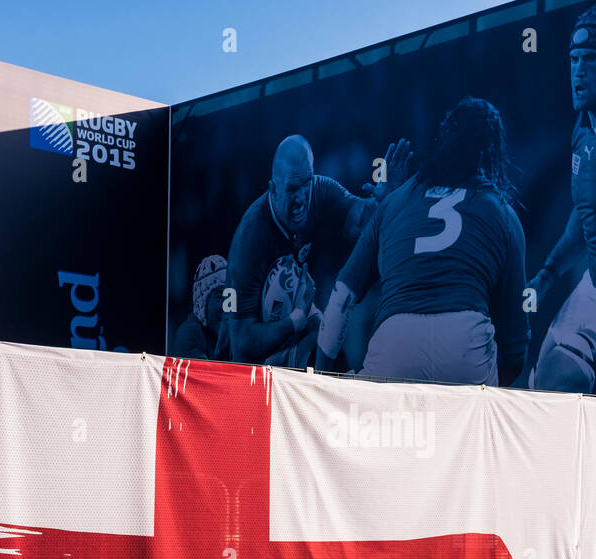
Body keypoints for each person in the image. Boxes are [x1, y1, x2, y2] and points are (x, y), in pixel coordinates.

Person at [316, 96, 528, 387]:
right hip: (465, 347)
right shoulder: (502, 212)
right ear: (492, 152)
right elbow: (516, 350)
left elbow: (341, 297)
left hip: (394, 345)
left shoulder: (394, 201)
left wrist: (322, 382)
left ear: (442, 140)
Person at [224, 133, 411, 368]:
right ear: (273, 189)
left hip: (296, 310)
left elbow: (363, 221)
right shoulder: (250, 239)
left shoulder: (320, 190)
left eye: (306, 183)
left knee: (333, 359)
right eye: (292, 188)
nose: (302, 198)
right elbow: (241, 345)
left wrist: (386, 200)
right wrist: (295, 319)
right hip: (251, 351)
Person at [527, 3, 596, 394]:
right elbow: (584, 217)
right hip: (589, 286)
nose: (578, 70)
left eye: (591, 58)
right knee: (534, 386)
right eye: (573, 59)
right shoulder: (583, 126)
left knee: (554, 384)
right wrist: (547, 276)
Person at [171, 254, 227, 360]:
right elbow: (201, 375)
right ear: (202, 303)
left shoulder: (232, 335)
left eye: (229, 297)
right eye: (219, 297)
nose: (225, 307)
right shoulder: (188, 335)